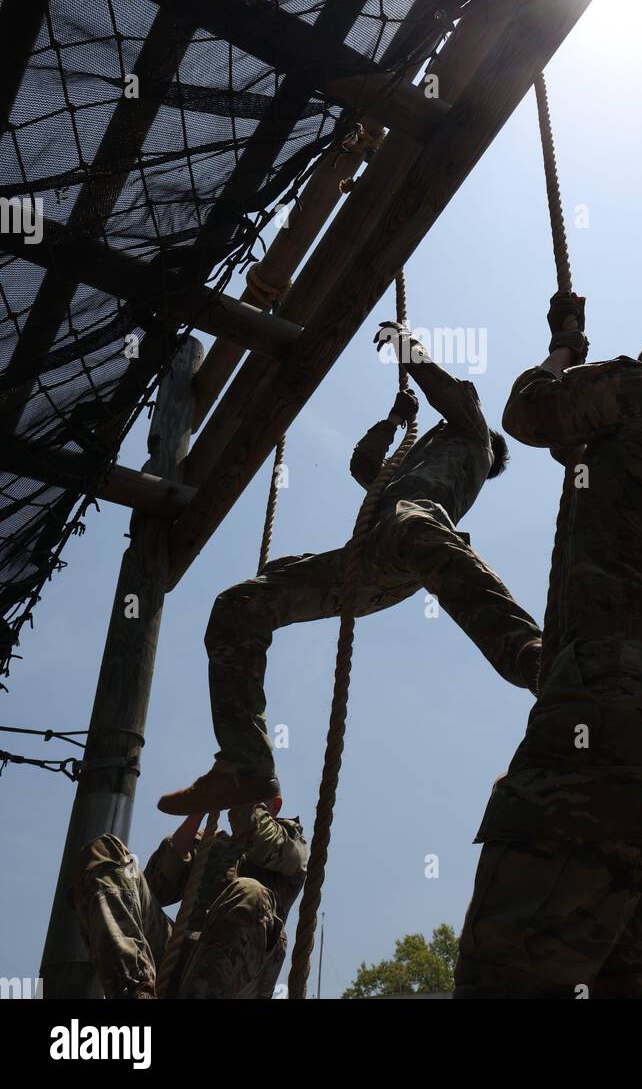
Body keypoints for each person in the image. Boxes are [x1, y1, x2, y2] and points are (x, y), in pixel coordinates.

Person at [454, 294, 642, 999]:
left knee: (510, 979)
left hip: (618, 699)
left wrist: (562, 346)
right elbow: (577, 447)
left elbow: (530, 410)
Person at [158, 322, 542, 816]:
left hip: (411, 536)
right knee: (239, 604)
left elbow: (447, 390)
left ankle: (541, 664)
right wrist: (391, 422)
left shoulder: (473, 438)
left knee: (412, 523)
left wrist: (408, 345)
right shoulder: (409, 470)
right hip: (369, 562)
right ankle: (245, 762)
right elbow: (365, 467)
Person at [71, 801, 308, 999]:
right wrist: (199, 808)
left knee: (251, 892)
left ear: (275, 805)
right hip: (183, 960)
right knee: (107, 853)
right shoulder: (212, 844)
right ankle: (135, 992)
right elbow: (154, 887)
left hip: (240, 976)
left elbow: (259, 836)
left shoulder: (291, 843)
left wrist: (245, 789)